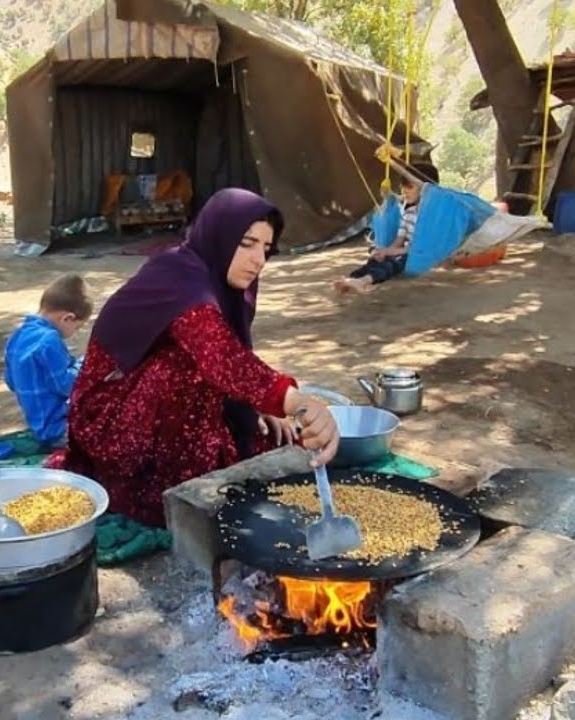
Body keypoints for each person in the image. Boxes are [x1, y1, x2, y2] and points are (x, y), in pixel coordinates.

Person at [54, 188, 340, 527]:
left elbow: (233, 354)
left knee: (268, 436)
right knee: (184, 369)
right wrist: (294, 400)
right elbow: (219, 357)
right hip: (108, 417)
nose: (258, 260)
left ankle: (207, 464)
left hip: (161, 407)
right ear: (219, 235)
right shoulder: (178, 278)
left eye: (266, 248)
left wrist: (262, 403)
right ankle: (169, 492)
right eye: (246, 243)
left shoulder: (221, 281)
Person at [3, 274, 94, 449]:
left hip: (38, 424)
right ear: (67, 318)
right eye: (78, 327)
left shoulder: (18, 334)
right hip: (58, 429)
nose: (76, 332)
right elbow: (66, 385)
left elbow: (10, 380)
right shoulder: (50, 340)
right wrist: (84, 363)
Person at [334, 164, 439, 294]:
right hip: (403, 251)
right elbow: (400, 239)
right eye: (402, 187)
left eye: (409, 187)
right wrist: (385, 251)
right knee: (377, 259)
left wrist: (392, 252)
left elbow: (421, 246)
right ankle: (352, 279)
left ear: (426, 190)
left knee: (391, 263)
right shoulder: (409, 212)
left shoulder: (432, 217)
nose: (404, 191)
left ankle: (364, 281)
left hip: (417, 254)